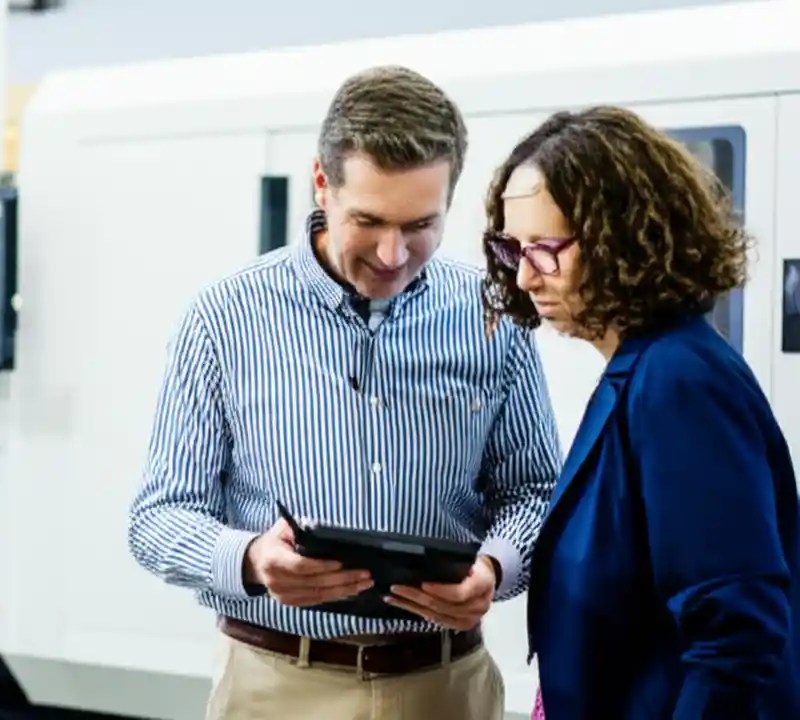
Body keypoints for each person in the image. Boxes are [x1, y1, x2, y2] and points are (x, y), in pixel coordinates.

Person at [126, 64, 562, 720]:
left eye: (421, 224)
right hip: (275, 687)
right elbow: (157, 519)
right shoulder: (224, 318)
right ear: (322, 185)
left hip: (446, 688)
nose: (393, 253)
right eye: (370, 221)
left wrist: (497, 569)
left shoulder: (491, 316)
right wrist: (250, 559)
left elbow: (534, 492)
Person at [480, 106, 800, 719]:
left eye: (546, 249)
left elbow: (736, 632)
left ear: (624, 240)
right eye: (511, 248)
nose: (523, 276)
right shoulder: (639, 369)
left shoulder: (678, 382)